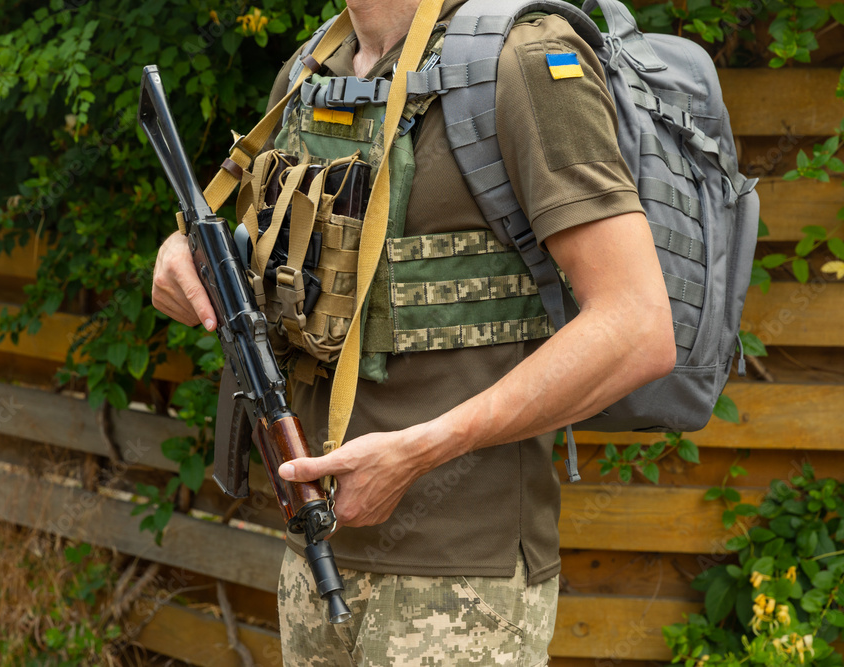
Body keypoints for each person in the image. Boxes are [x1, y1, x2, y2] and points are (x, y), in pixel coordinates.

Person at [152, 0, 675, 663]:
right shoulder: (314, 66)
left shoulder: (521, 59)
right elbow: (268, 254)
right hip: (314, 559)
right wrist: (180, 254)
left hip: (462, 582)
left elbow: (637, 325)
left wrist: (421, 450)